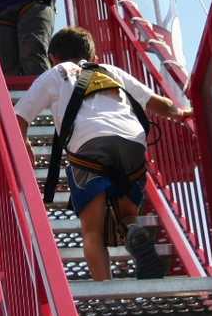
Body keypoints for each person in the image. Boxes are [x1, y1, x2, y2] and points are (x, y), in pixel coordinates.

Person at [13, 27, 193, 281]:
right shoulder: (110, 70)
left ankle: (105, 292)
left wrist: (25, 143)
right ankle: (134, 231)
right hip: (132, 142)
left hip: (89, 146)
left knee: (92, 230)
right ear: (93, 55)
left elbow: (18, 116)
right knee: (127, 212)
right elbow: (155, 103)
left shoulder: (56, 73)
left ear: (53, 57)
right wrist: (182, 112)